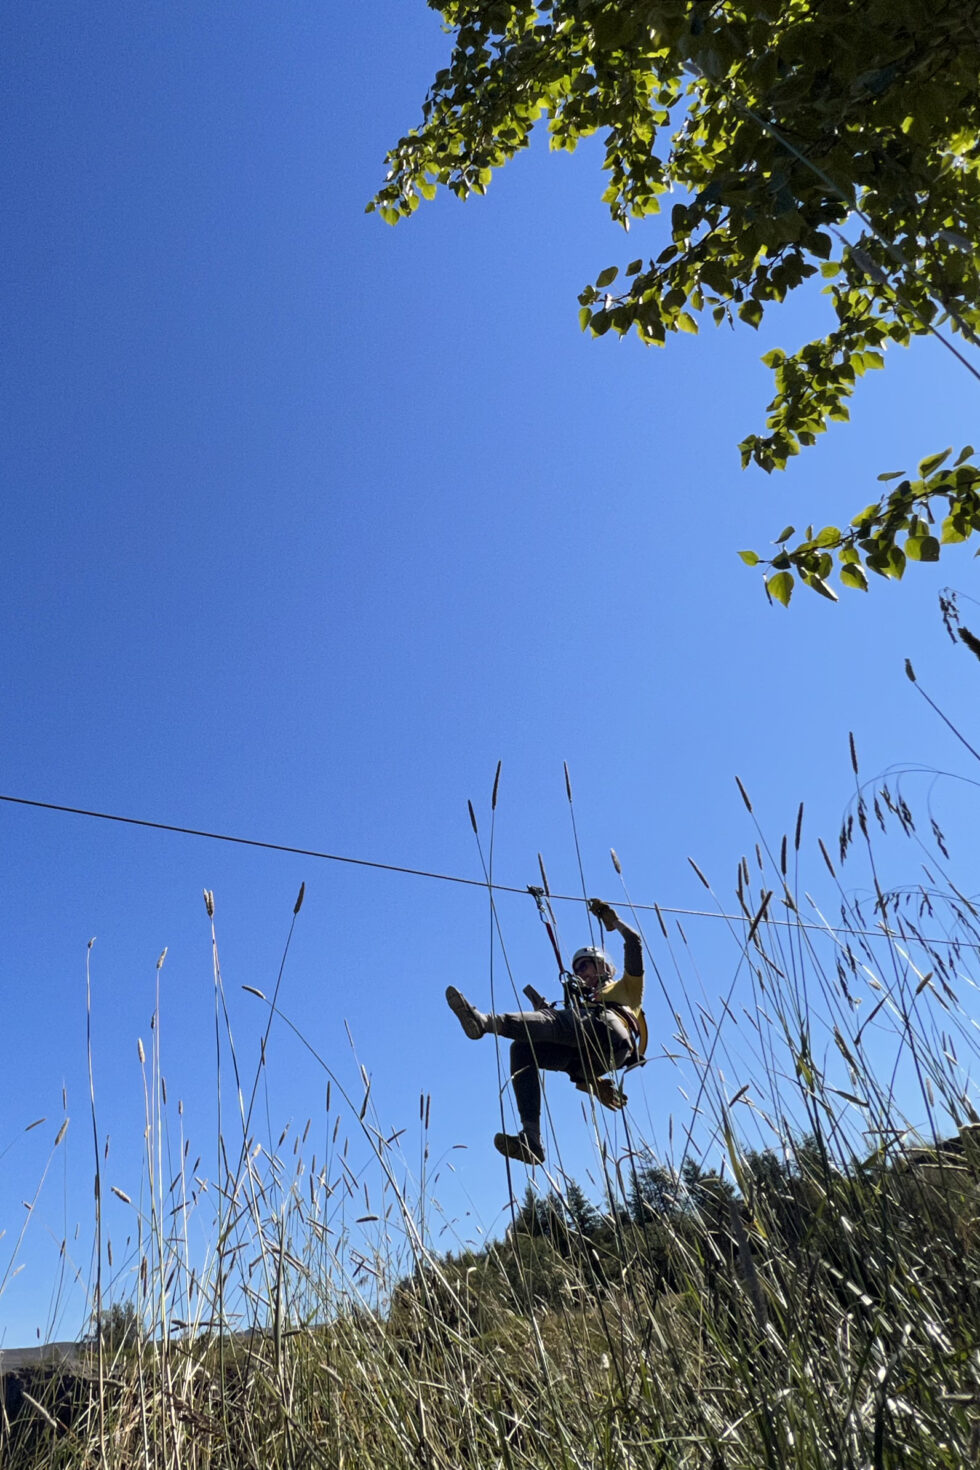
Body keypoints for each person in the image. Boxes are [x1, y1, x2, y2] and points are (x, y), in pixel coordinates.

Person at [445, 898, 646, 1165]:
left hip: (611, 1032)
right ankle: (532, 1141)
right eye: (576, 969)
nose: (580, 972)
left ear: (603, 966)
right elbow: (573, 1058)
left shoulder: (627, 988)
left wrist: (613, 922)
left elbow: (634, 942)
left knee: (562, 1018)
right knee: (522, 1048)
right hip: (590, 1061)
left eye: (584, 965)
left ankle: (484, 1022)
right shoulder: (582, 1004)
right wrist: (595, 1087)